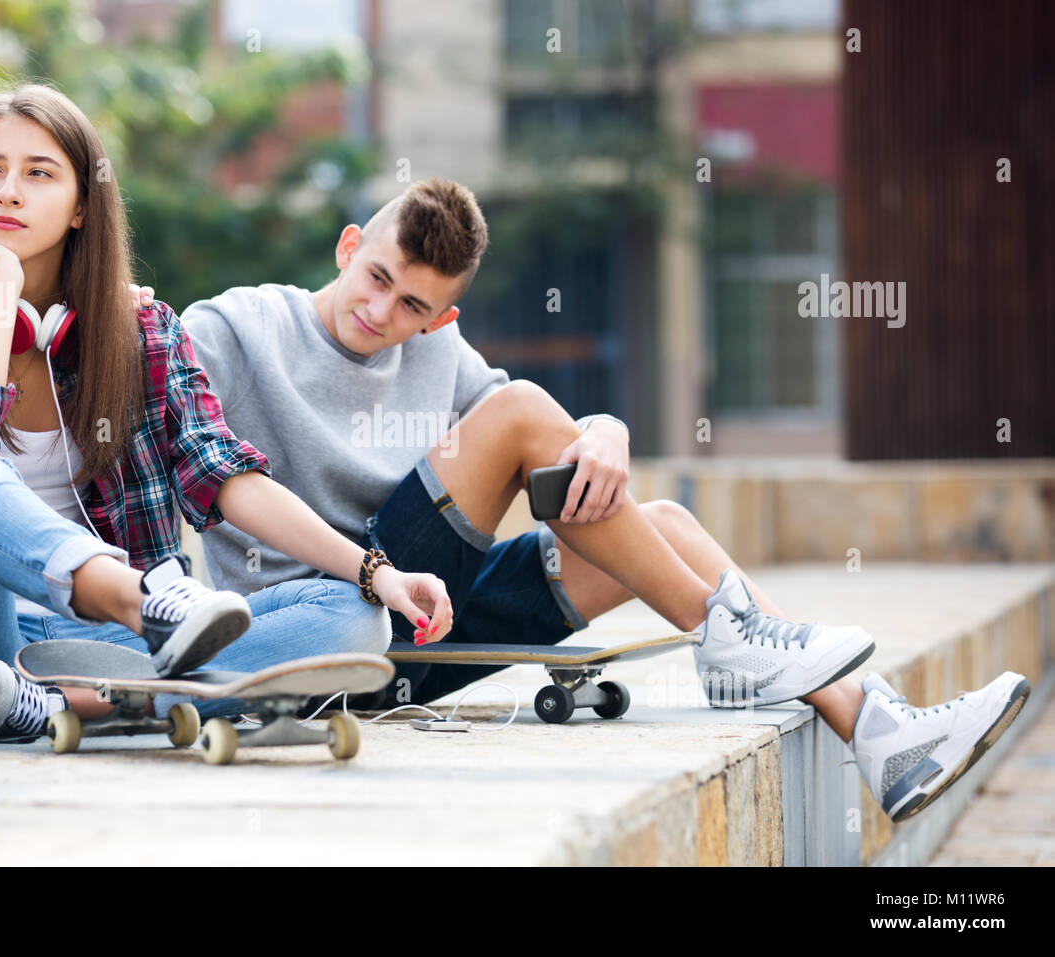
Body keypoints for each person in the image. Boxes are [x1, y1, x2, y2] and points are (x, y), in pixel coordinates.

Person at [180, 177, 1030, 823]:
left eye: (412, 305)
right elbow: (138, 391)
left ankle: (880, 732)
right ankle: (729, 634)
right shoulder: (240, 327)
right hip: (326, 624)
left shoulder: (439, 357)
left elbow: (545, 433)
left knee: (665, 526)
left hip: (429, 628)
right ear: (348, 245)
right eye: (375, 277)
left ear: (443, 317)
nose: (379, 310)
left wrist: (606, 425)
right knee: (516, 418)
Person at [0, 84, 453, 743]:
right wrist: (0, 288)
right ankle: (141, 637)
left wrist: (377, 570)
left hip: (105, 640)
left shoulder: (143, 328)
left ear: (83, 206)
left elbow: (222, 474)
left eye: (39, 174)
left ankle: (75, 700)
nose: (8, 191)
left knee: (355, 618)